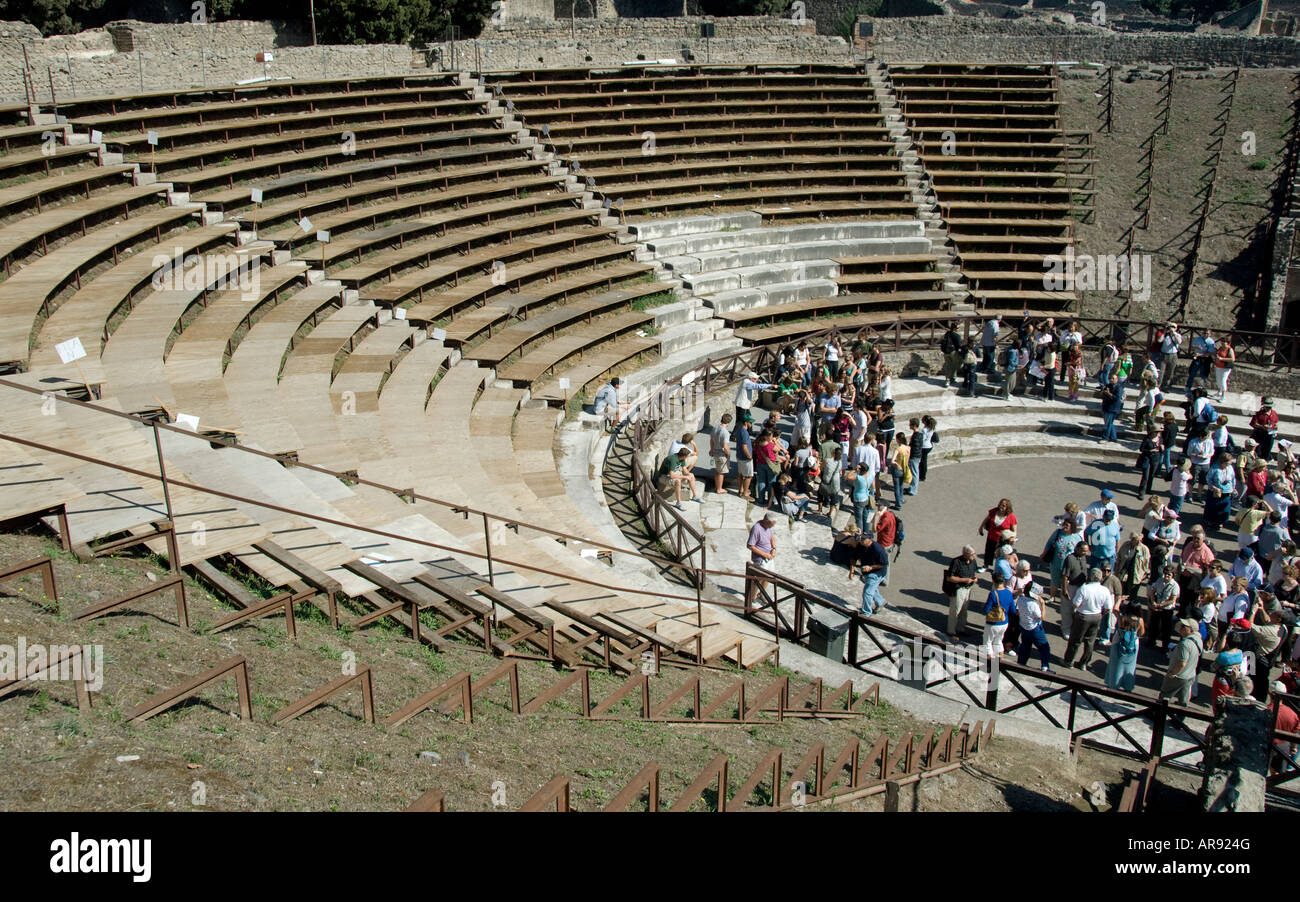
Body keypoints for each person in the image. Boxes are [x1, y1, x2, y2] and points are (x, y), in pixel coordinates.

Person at [1065, 568, 1113, 669]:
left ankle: (1069, 661)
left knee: (1075, 640)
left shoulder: (1084, 588)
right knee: (1090, 641)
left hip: (1083, 616)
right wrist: (1101, 614)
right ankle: (1083, 663)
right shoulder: (1105, 590)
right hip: (1096, 616)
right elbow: (1108, 607)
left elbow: (1075, 604)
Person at [1159, 618, 1204, 705]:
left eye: (1183, 626)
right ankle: (1180, 717)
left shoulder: (1185, 644)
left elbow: (1182, 663)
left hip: (1179, 675)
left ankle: (1158, 714)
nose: (1181, 627)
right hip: (1190, 675)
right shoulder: (1198, 640)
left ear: (1189, 629)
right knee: (1183, 700)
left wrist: (1172, 673)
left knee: (1165, 695)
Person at [1016, 581, 1054, 672]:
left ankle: (1021, 664)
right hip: (1034, 629)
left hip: (1023, 626)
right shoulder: (1033, 605)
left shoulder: (1020, 599)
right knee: (1044, 647)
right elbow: (1041, 617)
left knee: (1025, 646)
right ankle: (1045, 666)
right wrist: (1043, 605)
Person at [944, 544, 980, 637]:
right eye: (972, 554)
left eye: (974, 554)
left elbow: (974, 572)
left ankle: (960, 628)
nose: (974, 556)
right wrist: (964, 580)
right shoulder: (956, 562)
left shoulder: (973, 561)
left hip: (968, 589)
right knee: (955, 610)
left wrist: (974, 579)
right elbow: (949, 577)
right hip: (959, 589)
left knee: (964, 610)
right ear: (965, 554)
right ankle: (951, 631)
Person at [1045, 517, 1084, 601]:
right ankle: (1052, 597)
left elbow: (1081, 551)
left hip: (1070, 566)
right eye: (1064, 524)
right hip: (1056, 563)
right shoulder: (1058, 533)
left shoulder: (1077, 537)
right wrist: (1044, 553)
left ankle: (1065, 599)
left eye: (1067, 525)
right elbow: (1049, 543)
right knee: (1054, 581)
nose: (1065, 526)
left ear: (1072, 527)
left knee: (1067, 583)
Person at [1106, 610, 1145, 692]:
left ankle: (1114, 685)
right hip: (1133, 645)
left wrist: (1119, 599)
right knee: (1130, 666)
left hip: (1118, 642)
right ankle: (1128, 686)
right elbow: (1142, 633)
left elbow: (1115, 609)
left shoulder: (1123, 619)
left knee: (1115, 665)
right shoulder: (1139, 620)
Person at [1148, 564, 1180, 653]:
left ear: (1173, 575)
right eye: (1165, 574)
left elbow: (1172, 600)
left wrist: (1161, 605)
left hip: (1167, 609)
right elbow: (1152, 591)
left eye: (1169, 574)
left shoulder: (1175, 586)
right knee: (1154, 625)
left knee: (1166, 628)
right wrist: (1153, 601)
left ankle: (1165, 646)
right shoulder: (1159, 580)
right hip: (1157, 606)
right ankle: (1151, 641)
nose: (1166, 576)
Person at [978, 498, 1017, 571]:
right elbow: (986, 519)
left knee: (1002, 554)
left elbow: (1014, 530)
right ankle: (985, 565)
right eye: (1000, 505)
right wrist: (980, 528)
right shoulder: (994, 511)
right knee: (989, 551)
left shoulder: (1011, 517)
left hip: (1002, 540)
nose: (1001, 507)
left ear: (1007, 507)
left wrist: (1013, 538)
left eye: (1004, 506)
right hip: (991, 536)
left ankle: (1000, 568)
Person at [981, 573, 1015, 657]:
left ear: (993, 581)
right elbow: (1013, 610)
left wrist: (984, 606)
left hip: (993, 623)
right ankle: (1000, 664)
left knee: (987, 643)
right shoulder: (1009, 593)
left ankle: (990, 666)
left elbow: (986, 610)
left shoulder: (993, 594)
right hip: (1004, 622)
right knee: (998, 642)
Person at [1203, 452, 1236, 532]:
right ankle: (1210, 522)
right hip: (1215, 491)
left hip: (1227, 492)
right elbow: (1208, 479)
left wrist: (1233, 488)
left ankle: (1220, 522)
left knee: (1225, 508)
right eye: (1227, 463)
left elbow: (1233, 479)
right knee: (1213, 507)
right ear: (1222, 462)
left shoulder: (1230, 468)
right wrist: (1214, 487)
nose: (1229, 464)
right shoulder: (1215, 468)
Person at [858, 531, 889, 615]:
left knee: (867, 592)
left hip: (877, 573)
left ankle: (866, 612)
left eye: (864, 538)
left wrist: (870, 567)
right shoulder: (862, 545)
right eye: (861, 537)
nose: (862, 539)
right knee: (872, 589)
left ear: (870, 539)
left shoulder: (878, 549)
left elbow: (883, 563)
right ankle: (880, 602)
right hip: (867, 572)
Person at [708, 414, 733, 494]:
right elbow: (725, 446)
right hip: (722, 454)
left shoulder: (715, 427)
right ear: (729, 422)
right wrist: (728, 454)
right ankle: (719, 489)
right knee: (721, 472)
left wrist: (711, 449)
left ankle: (717, 486)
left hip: (715, 452)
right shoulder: (725, 432)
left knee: (717, 471)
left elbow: (711, 440)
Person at [815, 445, 843, 515]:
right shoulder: (840, 462)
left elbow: (821, 468)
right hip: (835, 481)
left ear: (833, 452)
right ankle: (830, 512)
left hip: (827, 478)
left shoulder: (827, 460)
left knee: (820, 493)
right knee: (834, 496)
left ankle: (820, 509)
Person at [1136, 425, 1161, 498]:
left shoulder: (1160, 439)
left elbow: (1161, 450)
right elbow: (1141, 449)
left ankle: (1148, 489)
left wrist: (1162, 448)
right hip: (1147, 458)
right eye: (1156, 432)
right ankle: (1141, 492)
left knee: (1152, 475)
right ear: (1152, 432)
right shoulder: (1147, 439)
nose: (1157, 433)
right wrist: (1150, 451)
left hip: (1155, 458)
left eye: (1158, 432)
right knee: (1145, 476)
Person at [735, 413, 755, 501]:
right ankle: (745, 493)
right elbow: (744, 446)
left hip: (739, 455)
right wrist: (749, 456)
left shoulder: (739, 430)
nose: (751, 424)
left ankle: (740, 490)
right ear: (746, 422)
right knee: (748, 476)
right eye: (750, 422)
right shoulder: (744, 432)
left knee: (740, 474)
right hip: (745, 458)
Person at [888, 432, 910, 510]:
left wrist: (896, 464)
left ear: (897, 439)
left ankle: (898, 504)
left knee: (896, 487)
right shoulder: (908, 448)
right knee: (901, 485)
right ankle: (901, 499)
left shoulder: (898, 449)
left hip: (897, 469)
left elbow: (892, 461)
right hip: (904, 468)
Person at [1157, 322, 1182, 390]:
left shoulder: (1177, 335)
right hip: (1164, 354)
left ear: (1176, 328)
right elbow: (1159, 340)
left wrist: (1173, 333)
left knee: (1170, 372)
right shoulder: (1165, 335)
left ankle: (1165, 386)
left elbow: (1179, 342)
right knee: (1161, 372)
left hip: (1173, 355)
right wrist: (1164, 332)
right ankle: (1158, 385)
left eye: (1173, 327)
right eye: (1171, 326)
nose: (1172, 328)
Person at [850, 463, 872, 533]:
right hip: (866, 497)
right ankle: (866, 532)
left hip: (859, 499)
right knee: (866, 516)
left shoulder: (859, 478)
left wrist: (854, 470)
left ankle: (859, 534)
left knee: (859, 519)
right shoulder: (870, 476)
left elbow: (847, 476)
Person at [1211, 336, 1235, 400]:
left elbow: (1232, 359)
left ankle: (1223, 395)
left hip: (1225, 367)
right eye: (1222, 342)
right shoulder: (1220, 348)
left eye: (1224, 342)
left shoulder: (1230, 349)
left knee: (1223, 380)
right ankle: (1219, 392)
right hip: (1218, 366)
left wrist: (1222, 359)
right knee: (1218, 380)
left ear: (1228, 343)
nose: (1222, 343)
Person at [940, 322, 963, 387]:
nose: (959, 329)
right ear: (955, 328)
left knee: (948, 366)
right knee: (954, 366)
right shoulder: (957, 336)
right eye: (958, 328)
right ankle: (952, 378)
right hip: (953, 352)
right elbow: (958, 345)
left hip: (946, 352)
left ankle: (947, 380)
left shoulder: (947, 333)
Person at [919, 415, 938, 483]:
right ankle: (922, 475)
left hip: (924, 447)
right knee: (924, 461)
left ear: (924, 421)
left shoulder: (924, 430)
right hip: (929, 446)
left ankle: (922, 476)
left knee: (922, 462)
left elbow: (923, 439)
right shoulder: (931, 428)